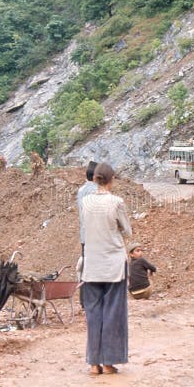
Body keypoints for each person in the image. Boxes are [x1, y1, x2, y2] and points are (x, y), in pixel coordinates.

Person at [80, 163, 131, 376]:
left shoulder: (85, 202)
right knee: (113, 313)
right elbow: (127, 230)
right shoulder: (116, 202)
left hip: (92, 264)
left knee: (93, 314)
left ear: (94, 179)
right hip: (113, 265)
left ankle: (94, 363)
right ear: (112, 179)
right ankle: (109, 363)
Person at [76, 160, 99, 258]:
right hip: (96, 237)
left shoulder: (81, 190)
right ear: (95, 177)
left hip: (84, 235)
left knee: (87, 263)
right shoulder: (96, 190)